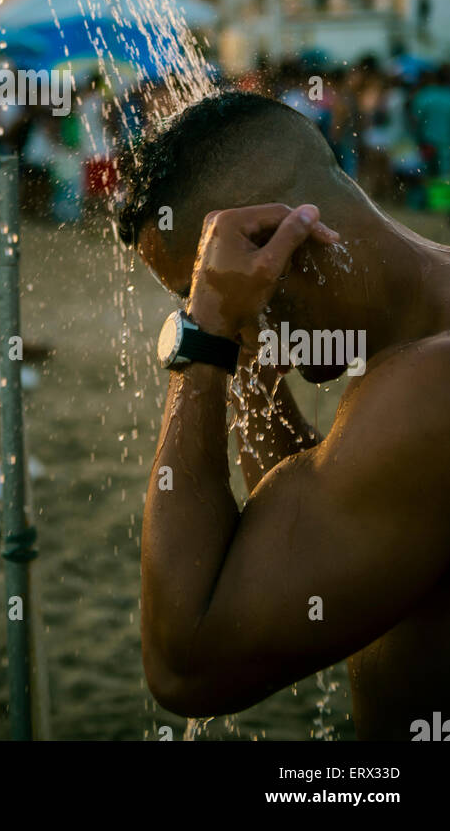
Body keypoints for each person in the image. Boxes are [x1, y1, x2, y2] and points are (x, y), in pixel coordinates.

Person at [116, 90, 450, 741]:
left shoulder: (424, 390)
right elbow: (304, 531)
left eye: (210, 287)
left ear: (281, 245)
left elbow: (185, 663)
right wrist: (237, 345)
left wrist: (205, 338)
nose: (228, 306)